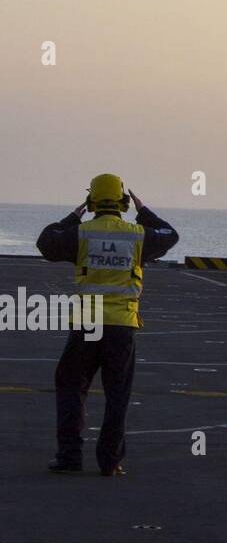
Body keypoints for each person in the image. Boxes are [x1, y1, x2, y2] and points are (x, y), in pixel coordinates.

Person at [36, 174, 179, 476]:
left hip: (87, 324)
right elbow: (169, 234)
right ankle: (110, 461)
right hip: (122, 326)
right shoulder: (138, 235)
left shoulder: (81, 234)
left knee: (71, 387)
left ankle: (69, 457)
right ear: (123, 202)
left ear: (91, 201)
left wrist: (74, 215)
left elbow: (46, 243)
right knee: (117, 395)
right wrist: (144, 210)